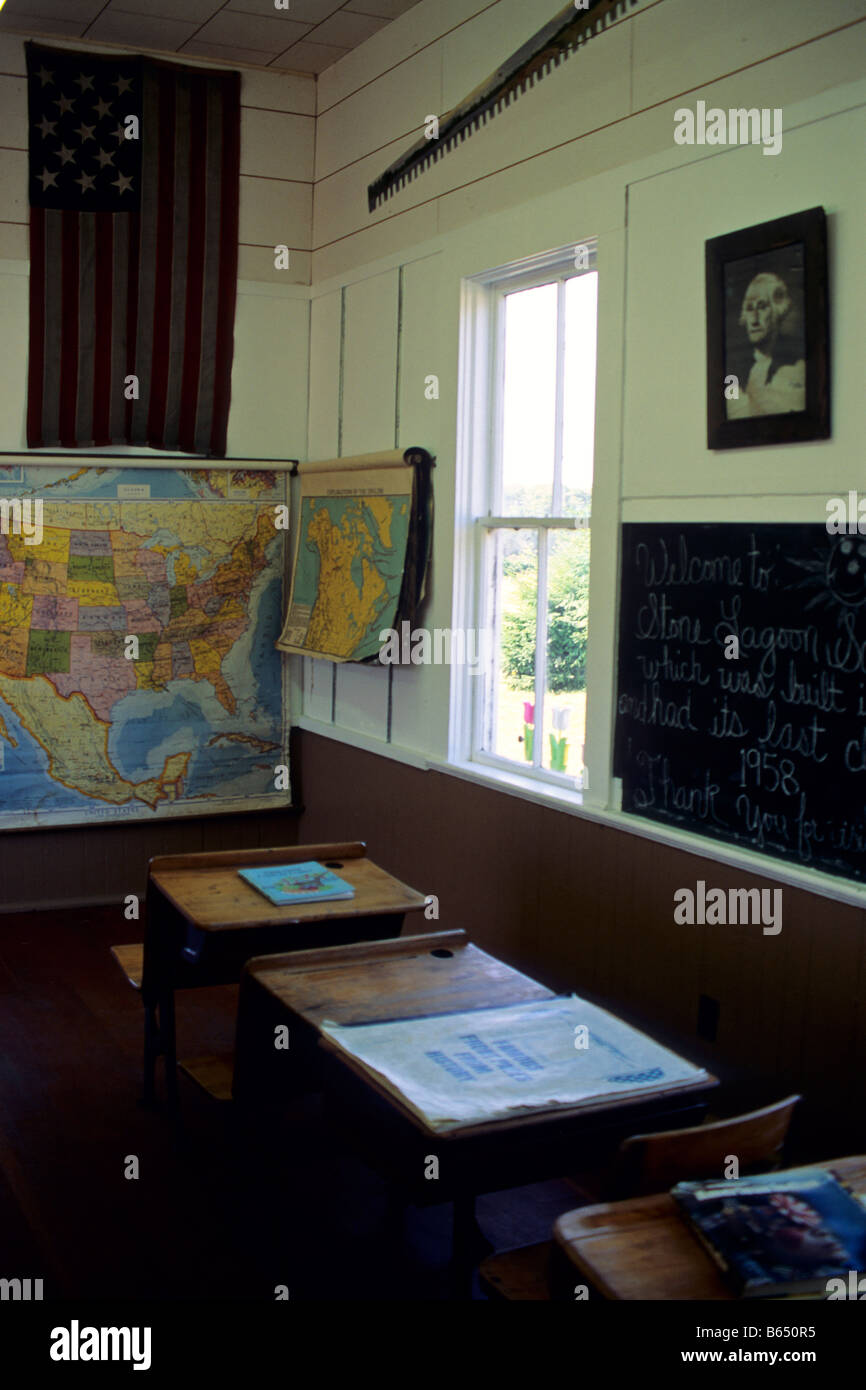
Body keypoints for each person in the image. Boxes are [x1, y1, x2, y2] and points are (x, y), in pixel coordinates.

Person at [726, 270, 805, 418]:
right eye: (749, 309)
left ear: (777, 311)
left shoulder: (797, 368)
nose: (754, 320)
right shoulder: (733, 375)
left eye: (762, 307)